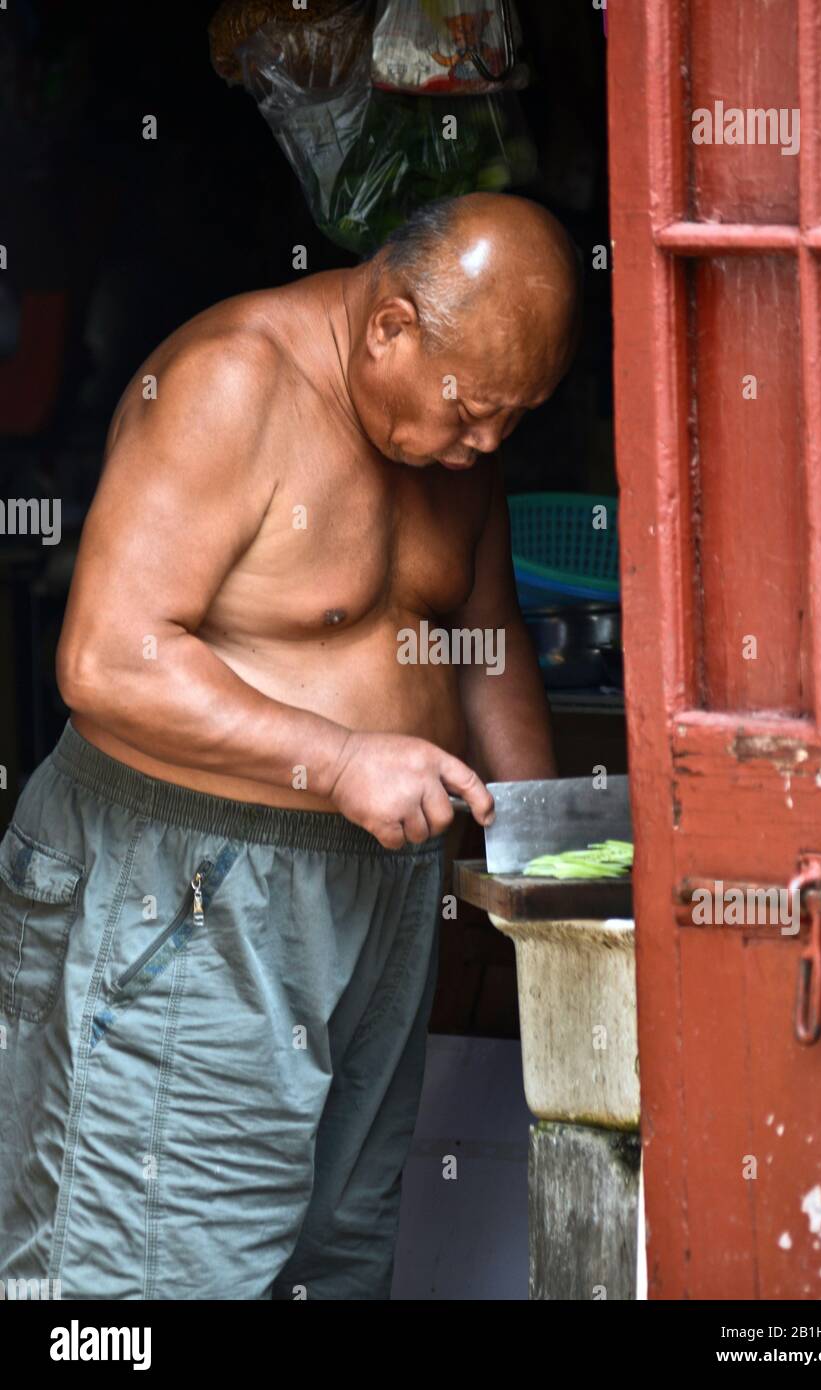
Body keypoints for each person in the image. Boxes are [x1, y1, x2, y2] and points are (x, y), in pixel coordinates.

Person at [0, 192, 581, 1299]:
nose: (490, 441)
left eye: (517, 415)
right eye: (474, 409)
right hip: (185, 886)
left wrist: (552, 854)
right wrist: (344, 756)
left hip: (376, 898)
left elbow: (482, 635)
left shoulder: (459, 435)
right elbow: (108, 662)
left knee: (330, 1260)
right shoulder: (231, 381)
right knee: (154, 1276)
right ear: (389, 326)